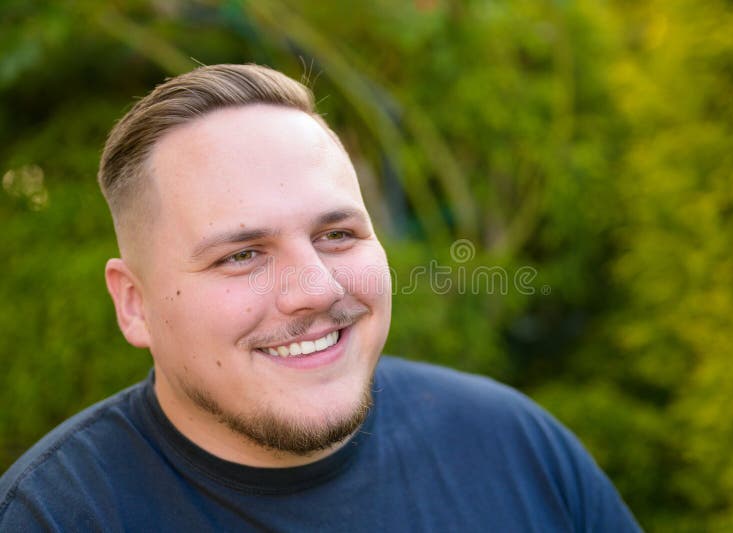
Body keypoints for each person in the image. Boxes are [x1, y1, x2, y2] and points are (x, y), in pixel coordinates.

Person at [0, 64, 641, 531]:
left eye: (337, 234)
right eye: (242, 254)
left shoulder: (517, 448)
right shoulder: (55, 515)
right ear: (134, 302)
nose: (316, 288)